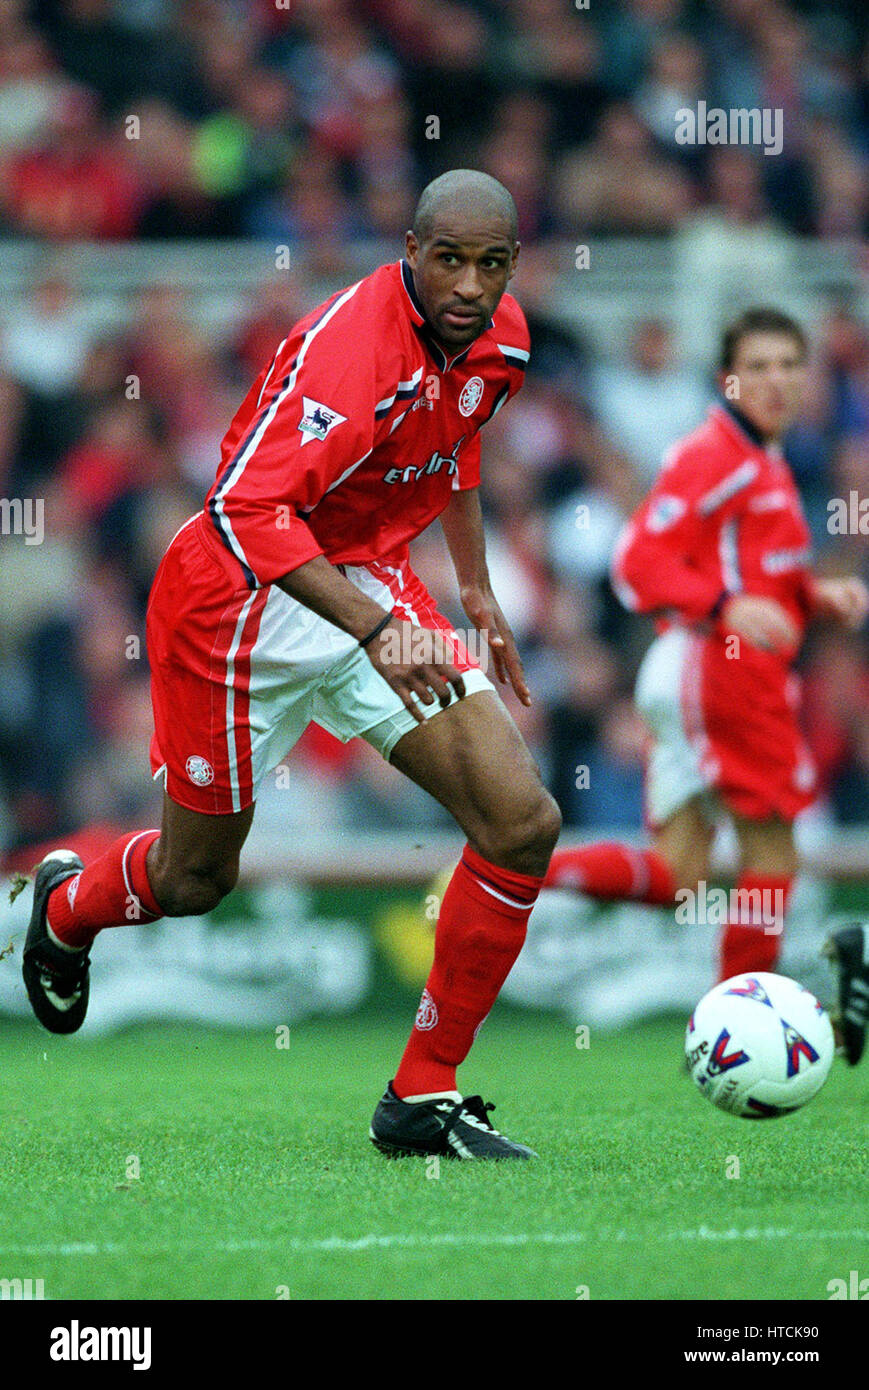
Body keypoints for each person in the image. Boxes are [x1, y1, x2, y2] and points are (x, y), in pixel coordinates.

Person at [21, 170, 562, 1159]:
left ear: (510, 266)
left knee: (521, 820)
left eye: (490, 264)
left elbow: (459, 445)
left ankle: (419, 1096)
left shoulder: (505, 339)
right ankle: (64, 909)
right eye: (448, 258)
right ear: (409, 248)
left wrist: (475, 585)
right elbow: (242, 510)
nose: (468, 285)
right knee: (194, 879)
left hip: (365, 582)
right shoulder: (354, 350)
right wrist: (375, 628)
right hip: (236, 601)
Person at [545, 306, 869, 1063]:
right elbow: (636, 563)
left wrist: (815, 596)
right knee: (771, 854)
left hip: (702, 668)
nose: (776, 380)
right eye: (756, 366)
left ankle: (517, 867)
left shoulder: (763, 460)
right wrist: (727, 608)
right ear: (726, 378)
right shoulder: (715, 454)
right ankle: (745, 1036)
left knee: (676, 874)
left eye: (789, 364)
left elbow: (757, 575)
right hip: (716, 669)